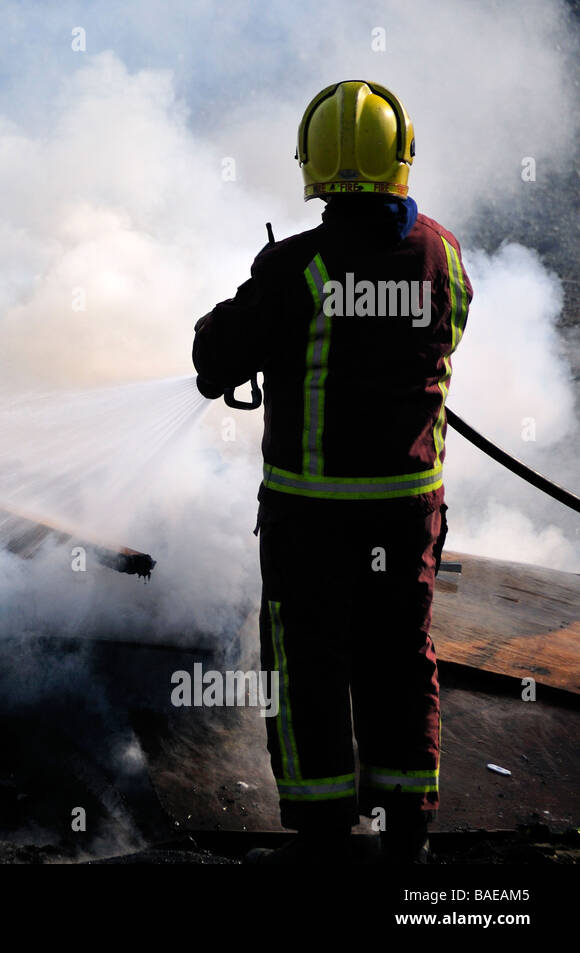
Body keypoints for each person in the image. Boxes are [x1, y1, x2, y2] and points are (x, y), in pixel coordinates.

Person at [192, 80, 471, 863]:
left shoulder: (295, 266)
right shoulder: (444, 256)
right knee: (402, 653)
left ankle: (321, 837)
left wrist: (240, 320)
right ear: (400, 159)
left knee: (308, 664)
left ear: (313, 164)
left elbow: (215, 361)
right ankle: (408, 832)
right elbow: (440, 340)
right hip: (408, 508)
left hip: (311, 517)